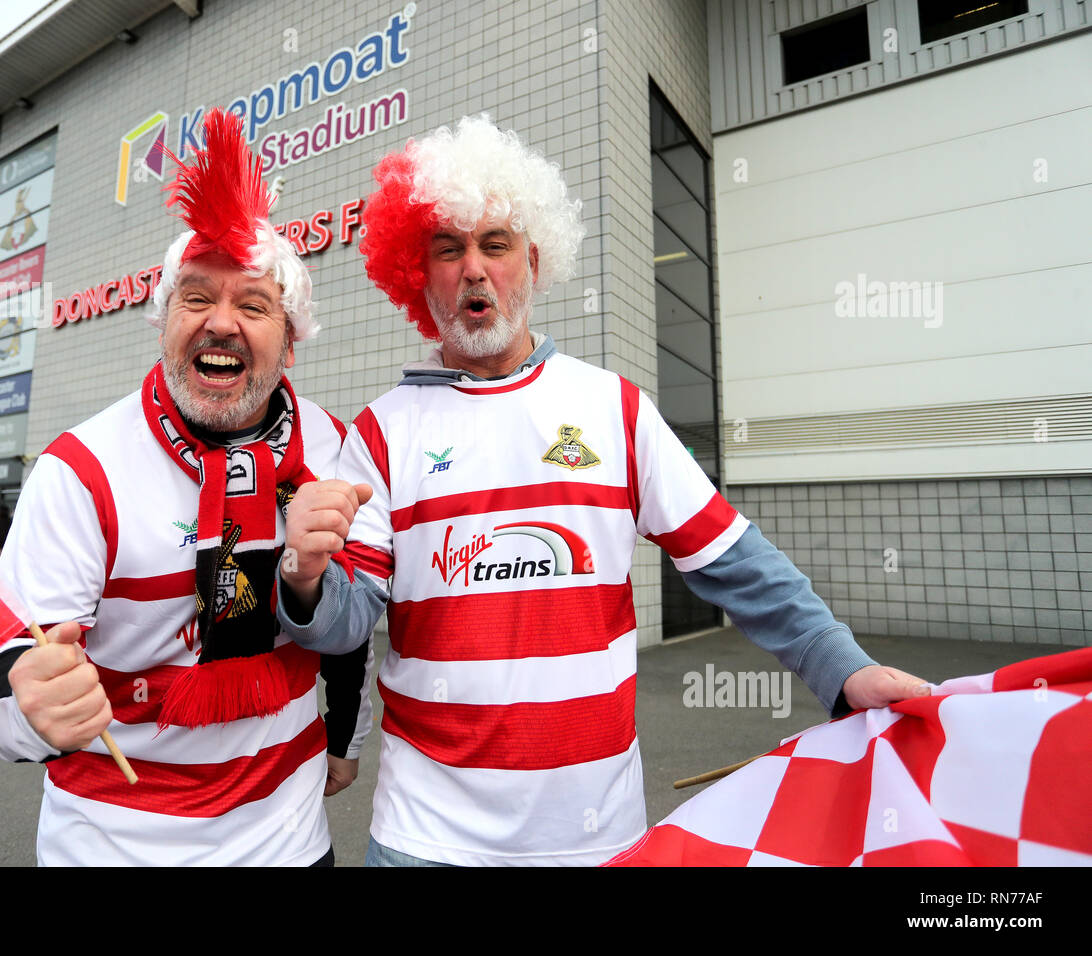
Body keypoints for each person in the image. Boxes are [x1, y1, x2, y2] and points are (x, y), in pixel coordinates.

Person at [277, 115, 929, 866]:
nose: (475, 269)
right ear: (416, 276)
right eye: (448, 249)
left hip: (597, 840)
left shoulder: (613, 410)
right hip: (425, 840)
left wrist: (843, 668)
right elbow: (342, 624)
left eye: (497, 244)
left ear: (535, 259)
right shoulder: (382, 432)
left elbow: (737, 566)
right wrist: (303, 576)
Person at [0, 108, 373, 866]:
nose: (222, 323)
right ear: (162, 321)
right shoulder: (79, 470)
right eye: (196, 298)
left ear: (291, 338)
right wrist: (30, 710)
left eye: (253, 304)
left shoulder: (330, 442)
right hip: (118, 849)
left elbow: (349, 622)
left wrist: (343, 733)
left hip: (291, 843)